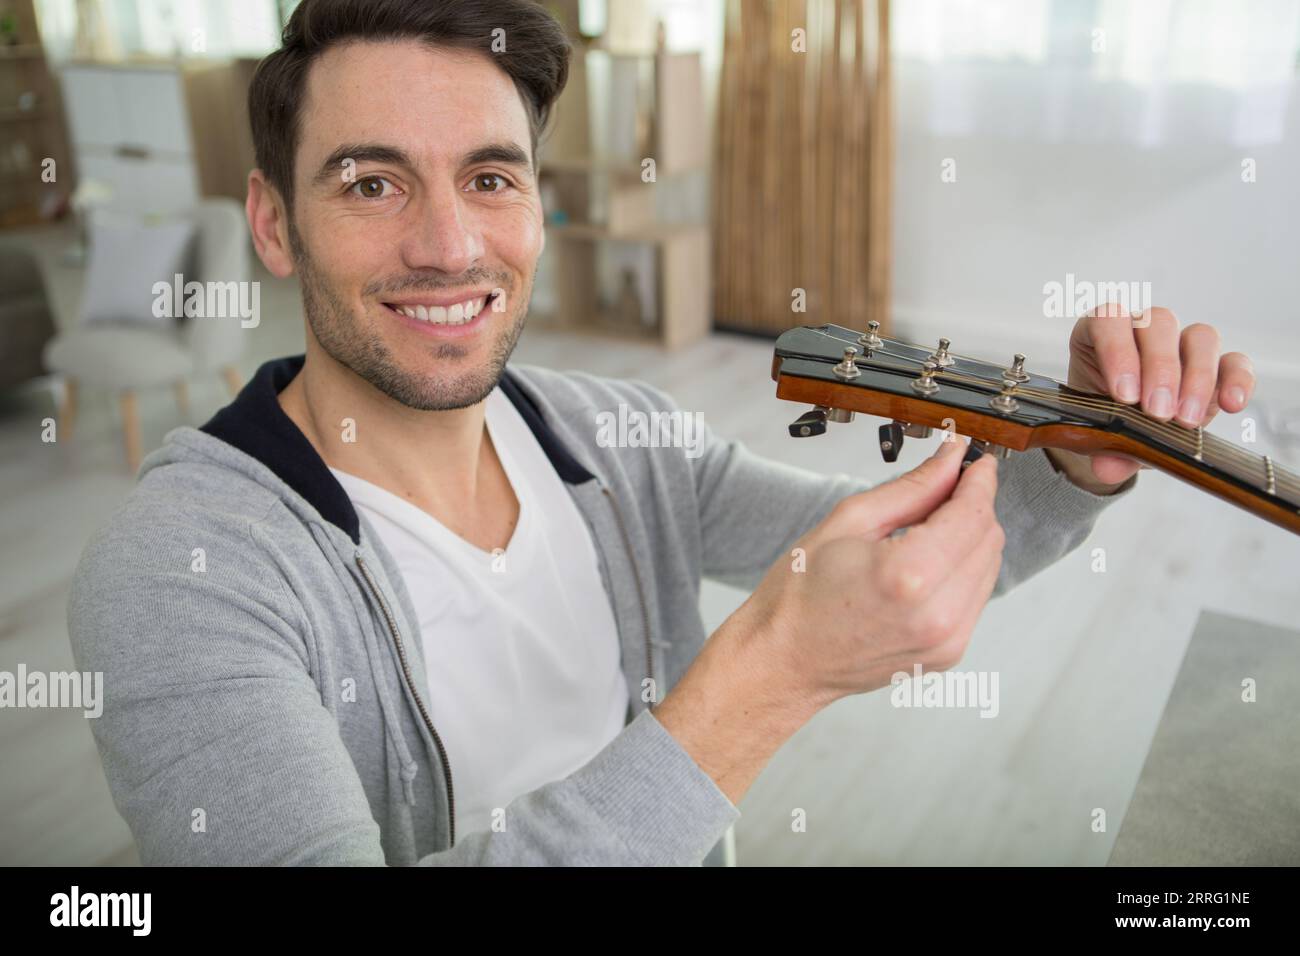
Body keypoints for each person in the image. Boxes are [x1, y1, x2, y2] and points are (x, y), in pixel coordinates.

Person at [67, 0, 1256, 866]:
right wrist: (764, 681)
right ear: (272, 223)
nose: (446, 244)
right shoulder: (183, 576)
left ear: (540, 204)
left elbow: (875, 555)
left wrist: (1067, 453)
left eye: (491, 178)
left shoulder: (615, 434)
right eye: (371, 183)